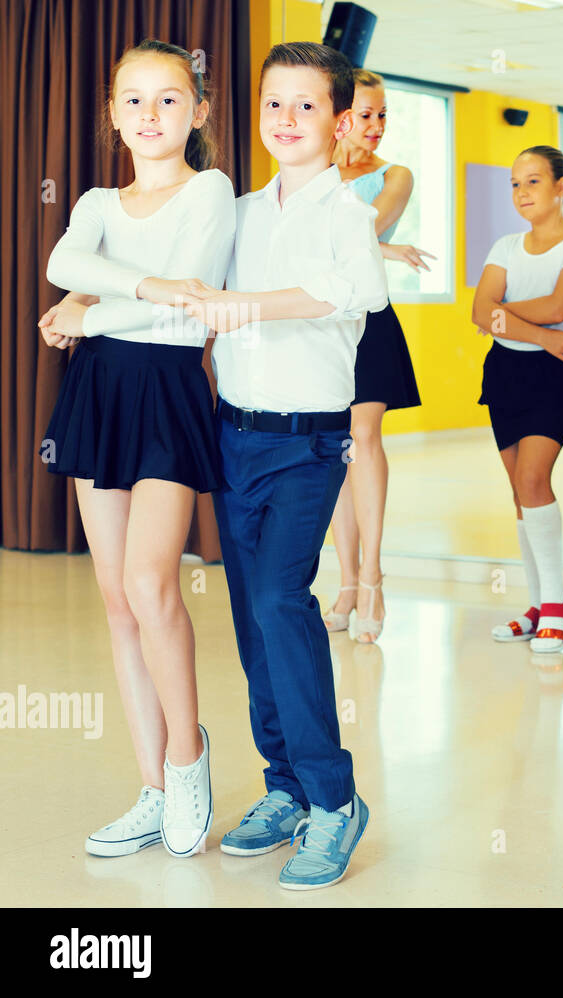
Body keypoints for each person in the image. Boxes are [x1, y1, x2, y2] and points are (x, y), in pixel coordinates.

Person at [183, 41, 386, 890]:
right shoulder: (237, 208)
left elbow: (358, 293)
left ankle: (336, 801)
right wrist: (86, 299)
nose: (287, 120)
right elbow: (181, 280)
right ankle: (287, 787)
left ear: (340, 123)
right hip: (235, 438)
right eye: (274, 104)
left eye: (307, 106)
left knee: (278, 598)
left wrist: (247, 306)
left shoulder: (347, 212)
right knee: (249, 616)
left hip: (309, 443)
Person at [39, 39, 234, 859]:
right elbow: (63, 261)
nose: (150, 115)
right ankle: (151, 787)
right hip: (99, 391)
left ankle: (189, 762)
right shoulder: (93, 201)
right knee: (117, 599)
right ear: (113, 114)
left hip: (166, 392)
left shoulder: (212, 190)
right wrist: (144, 287)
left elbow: (191, 317)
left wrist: (87, 307)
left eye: (168, 98)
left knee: (154, 584)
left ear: (198, 109)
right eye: (134, 100)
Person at [472, 146, 563, 654]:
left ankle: (554, 604)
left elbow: (559, 305)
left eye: (532, 182)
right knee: (519, 492)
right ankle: (542, 601)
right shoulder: (505, 246)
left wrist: (507, 314)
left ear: (561, 186)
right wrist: (538, 331)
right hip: (505, 371)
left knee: (533, 480)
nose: (522, 193)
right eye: (514, 184)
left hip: (557, 371)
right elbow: (479, 314)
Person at [324, 67, 431, 644]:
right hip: (318, 322)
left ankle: (372, 575)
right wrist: (387, 249)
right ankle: (344, 579)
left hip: (370, 320)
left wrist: (379, 246)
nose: (377, 125)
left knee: (364, 437)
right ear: (340, 116)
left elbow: (364, 227)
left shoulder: (397, 175)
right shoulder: (309, 170)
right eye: (365, 114)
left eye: (383, 114)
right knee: (338, 446)